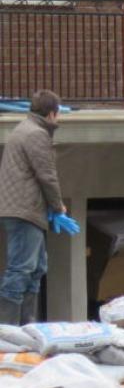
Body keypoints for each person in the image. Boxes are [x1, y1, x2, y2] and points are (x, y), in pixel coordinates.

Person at [0, 90, 70, 325]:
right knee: (21, 269)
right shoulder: (36, 134)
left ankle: (27, 324)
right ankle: (8, 330)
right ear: (52, 113)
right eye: (58, 114)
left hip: (25, 209)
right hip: (24, 210)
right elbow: (47, 175)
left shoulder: (24, 129)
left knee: (37, 267)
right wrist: (58, 207)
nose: (58, 119)